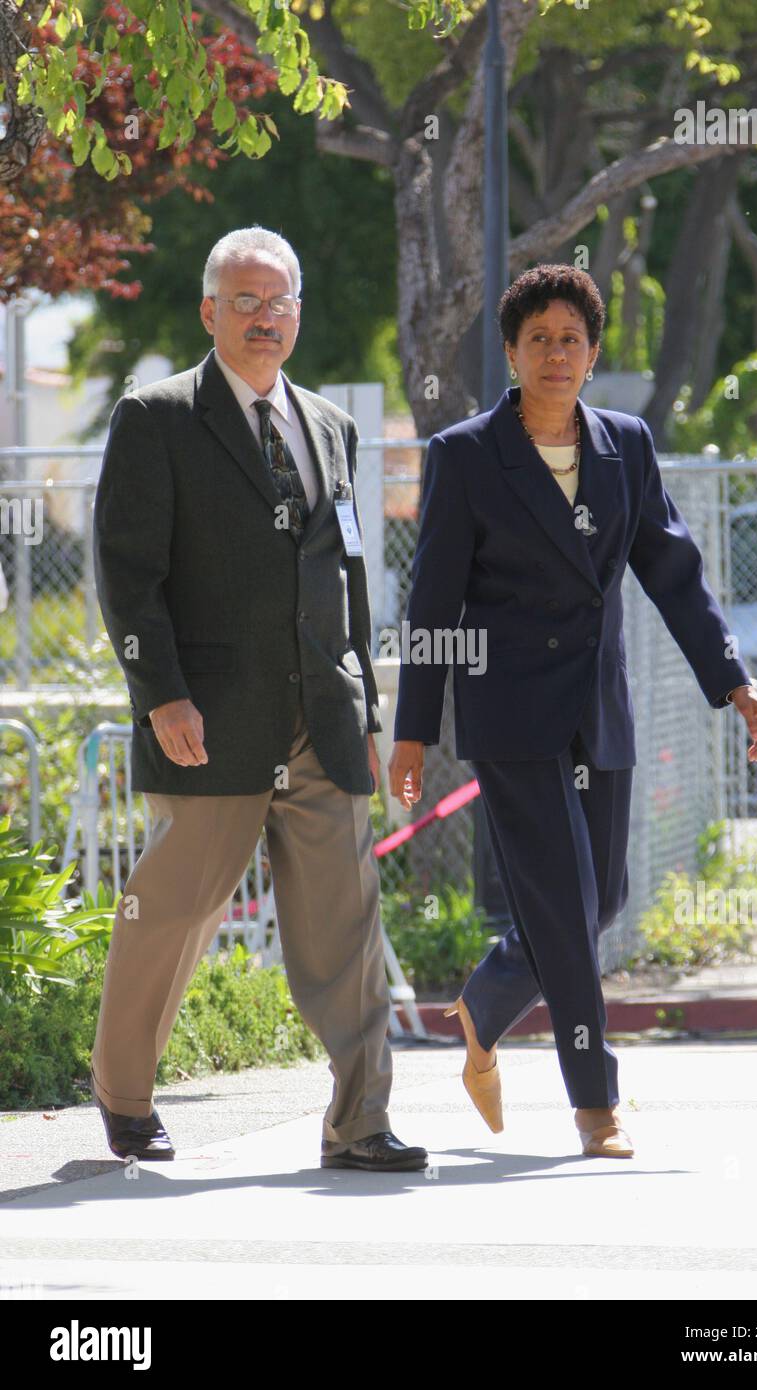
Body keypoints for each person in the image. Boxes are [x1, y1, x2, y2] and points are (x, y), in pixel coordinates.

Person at [388, 263, 757, 1159]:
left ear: (594, 353)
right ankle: (594, 1100)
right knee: (566, 906)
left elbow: (675, 573)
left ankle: (485, 1005)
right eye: (539, 340)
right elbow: (432, 605)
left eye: (571, 339)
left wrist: (735, 682)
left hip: (599, 709)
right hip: (512, 717)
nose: (556, 354)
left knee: (602, 897)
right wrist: (413, 730)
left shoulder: (626, 446)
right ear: (511, 353)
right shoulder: (464, 454)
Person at [90, 225, 427, 1172]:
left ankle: (360, 1122)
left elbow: (345, 579)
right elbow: (127, 575)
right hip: (207, 722)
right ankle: (123, 1097)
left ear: (298, 314)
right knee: (173, 913)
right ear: (209, 312)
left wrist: (362, 709)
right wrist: (161, 695)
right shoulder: (155, 418)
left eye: (278, 302)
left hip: (321, 717)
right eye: (244, 301)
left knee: (347, 925)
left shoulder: (331, 426)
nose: (263, 318)